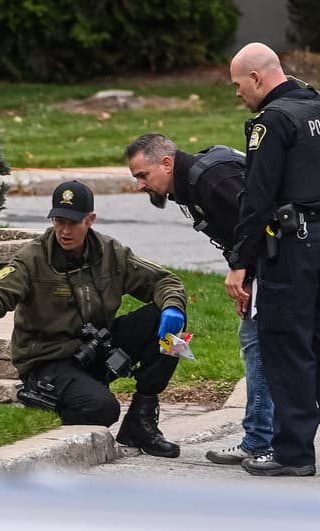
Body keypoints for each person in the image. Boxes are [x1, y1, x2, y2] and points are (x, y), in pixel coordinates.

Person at [223, 42, 320, 477]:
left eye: (237, 85)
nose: (237, 94)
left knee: (288, 346)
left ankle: (292, 454)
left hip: (295, 244)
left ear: (256, 77)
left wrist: (239, 262)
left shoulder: (272, 122)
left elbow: (256, 199)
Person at [0, 180, 188, 458]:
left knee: (169, 322)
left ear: (90, 220)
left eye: (73, 222)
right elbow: (2, 287)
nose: (65, 230)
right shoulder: (33, 256)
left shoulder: (110, 252)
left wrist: (173, 307)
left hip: (96, 349)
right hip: (50, 360)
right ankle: (43, 397)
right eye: (59, 221)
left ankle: (142, 419)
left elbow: (165, 281)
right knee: (103, 409)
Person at [125, 132, 274, 467]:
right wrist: (244, 277)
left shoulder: (211, 179)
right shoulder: (193, 184)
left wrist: (242, 269)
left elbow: (256, 222)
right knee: (259, 344)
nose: (140, 185)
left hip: (279, 266)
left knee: (259, 346)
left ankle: (261, 441)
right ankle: (265, 438)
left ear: (166, 163)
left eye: (142, 176)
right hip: (263, 269)